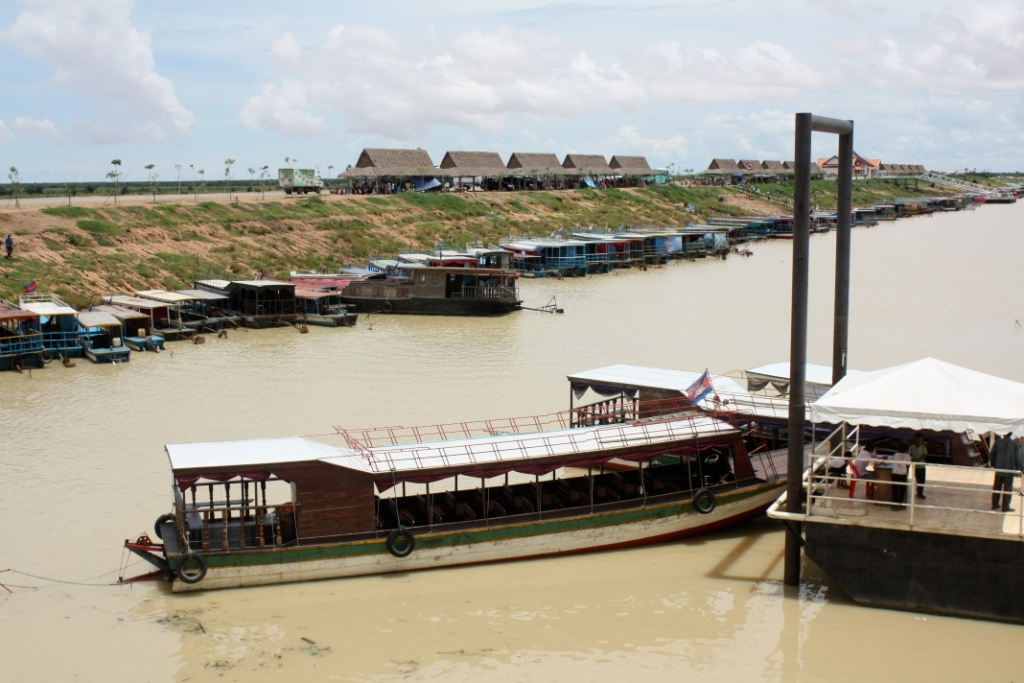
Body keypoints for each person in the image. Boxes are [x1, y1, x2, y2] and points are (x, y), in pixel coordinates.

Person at [990, 433, 1022, 512]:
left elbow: (992, 454)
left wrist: (994, 464)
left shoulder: (998, 442)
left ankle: (995, 504)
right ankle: (1005, 507)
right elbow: (1017, 458)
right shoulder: (1014, 444)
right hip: (1009, 469)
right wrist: (1017, 468)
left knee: (997, 487)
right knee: (1007, 488)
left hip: (999, 469)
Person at [890, 443, 913, 510]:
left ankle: (894, 505)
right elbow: (909, 463)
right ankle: (899, 504)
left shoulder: (895, 455)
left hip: (894, 473)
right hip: (902, 474)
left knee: (895, 490)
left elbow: (891, 461)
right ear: (906, 450)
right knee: (903, 489)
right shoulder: (907, 456)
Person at [908, 432, 929, 499]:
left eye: (922, 439)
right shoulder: (912, 447)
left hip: (922, 465)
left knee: (922, 479)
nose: (920, 441)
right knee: (918, 479)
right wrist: (913, 460)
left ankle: (920, 492)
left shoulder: (923, 447)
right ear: (916, 439)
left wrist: (920, 460)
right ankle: (918, 492)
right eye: (919, 439)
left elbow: (925, 454)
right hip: (916, 466)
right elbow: (909, 455)